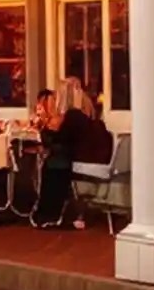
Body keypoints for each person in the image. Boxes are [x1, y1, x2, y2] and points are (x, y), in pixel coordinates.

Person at [31, 82, 112, 228]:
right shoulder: (87, 114)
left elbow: (60, 139)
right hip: (98, 157)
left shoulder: (73, 116)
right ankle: (54, 212)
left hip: (85, 160)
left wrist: (43, 128)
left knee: (54, 163)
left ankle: (49, 213)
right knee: (56, 159)